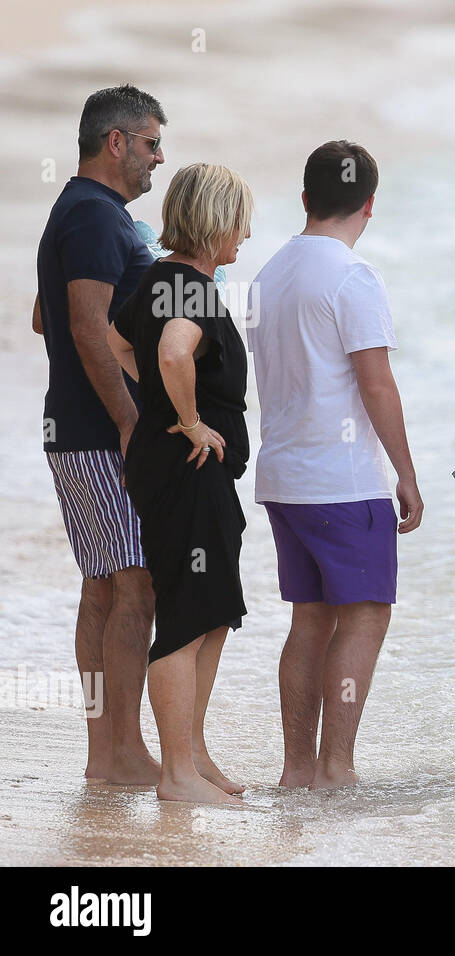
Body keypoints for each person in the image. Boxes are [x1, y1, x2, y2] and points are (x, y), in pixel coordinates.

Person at [249, 141, 423, 790]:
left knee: (309, 618)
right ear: (369, 205)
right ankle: (337, 769)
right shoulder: (354, 278)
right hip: (343, 481)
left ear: (305, 199)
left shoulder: (268, 273)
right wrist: (405, 472)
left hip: (283, 477)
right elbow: (376, 384)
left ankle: (298, 770)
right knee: (366, 613)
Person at [107, 163, 253, 806]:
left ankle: (190, 754)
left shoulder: (162, 279)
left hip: (179, 472)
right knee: (189, 616)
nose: (246, 234)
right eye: (240, 220)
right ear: (218, 220)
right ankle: (175, 776)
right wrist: (189, 423)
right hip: (189, 473)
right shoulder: (189, 288)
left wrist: (161, 418)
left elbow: (118, 344)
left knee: (212, 609)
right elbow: (169, 353)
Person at [33, 84, 166, 784]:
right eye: (150, 143)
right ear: (116, 142)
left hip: (74, 428)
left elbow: (42, 317)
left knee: (104, 588)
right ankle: (123, 753)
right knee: (136, 585)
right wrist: (129, 420)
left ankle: (104, 754)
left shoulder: (82, 213)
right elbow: (81, 324)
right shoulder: (93, 216)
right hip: (99, 433)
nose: (158, 158)